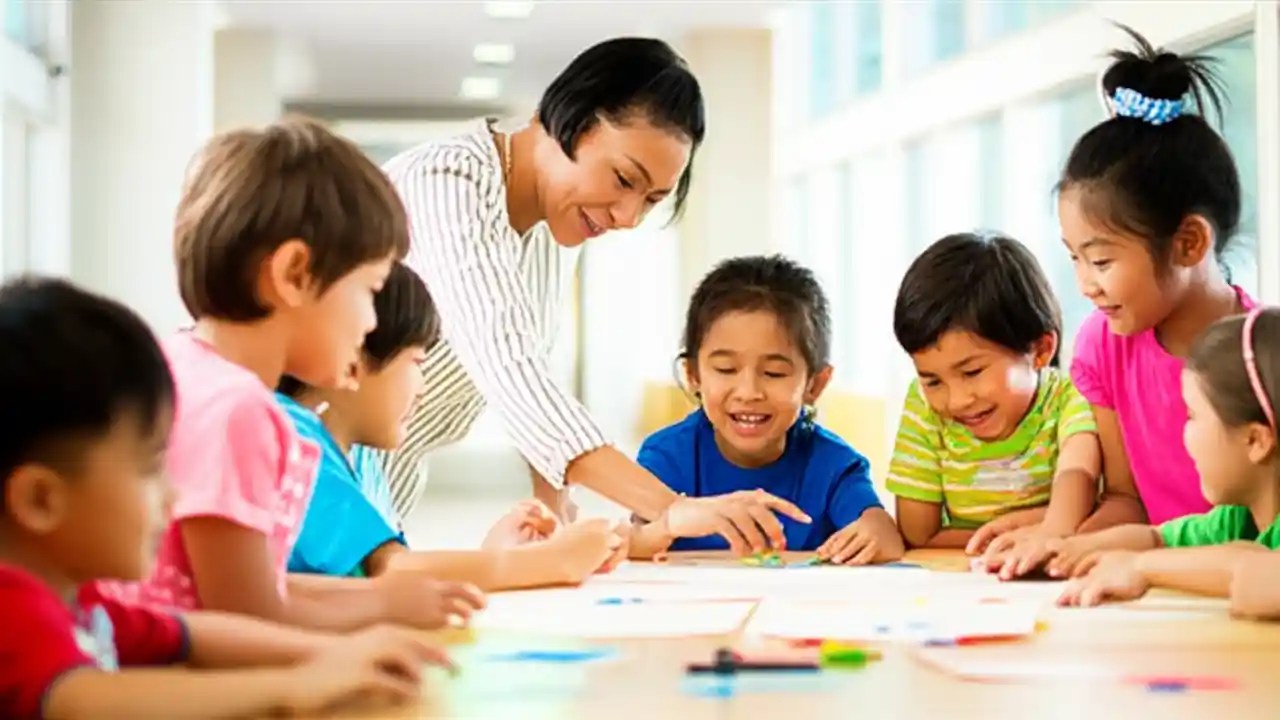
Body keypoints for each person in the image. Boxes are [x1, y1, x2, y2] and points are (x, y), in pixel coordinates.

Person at [381, 37, 807, 553]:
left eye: (651, 200)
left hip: (383, 492)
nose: (627, 218)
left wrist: (551, 507)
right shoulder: (446, 184)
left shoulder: (553, 225)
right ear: (567, 120)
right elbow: (507, 366)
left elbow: (534, 363)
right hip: (311, 471)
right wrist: (674, 508)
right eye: (624, 179)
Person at [95, 116, 485, 630]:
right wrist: (369, 628)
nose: (371, 321)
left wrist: (385, 600)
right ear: (294, 275)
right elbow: (247, 617)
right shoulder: (237, 410)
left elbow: (252, 588)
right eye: (369, 290)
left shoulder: (180, 368)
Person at [0, 277, 451, 719]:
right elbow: (86, 700)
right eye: (150, 468)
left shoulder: (80, 604)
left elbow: (188, 632)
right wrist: (295, 686)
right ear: (41, 500)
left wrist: (338, 653)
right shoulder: (12, 609)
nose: (173, 494)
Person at [278, 263, 624, 588]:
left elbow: (392, 575)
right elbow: (390, 571)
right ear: (356, 351)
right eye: (417, 361)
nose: (423, 388)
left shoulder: (360, 456)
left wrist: (498, 557)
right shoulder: (292, 440)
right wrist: (551, 561)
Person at [1047, 26, 1253, 543]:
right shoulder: (1103, 345)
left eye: (1100, 260)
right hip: (1151, 580)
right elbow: (1126, 501)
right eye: (1074, 258)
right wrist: (1062, 546)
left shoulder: (1260, 356)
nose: (1085, 285)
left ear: (1188, 243)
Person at [627, 256, 902, 563]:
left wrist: (874, 531)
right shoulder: (667, 456)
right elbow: (632, 543)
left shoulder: (834, 466)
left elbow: (885, 536)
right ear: (693, 374)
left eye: (774, 373)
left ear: (815, 384)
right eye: (726, 368)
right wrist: (670, 523)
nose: (748, 393)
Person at [885, 233, 1101, 562]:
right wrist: (1009, 537)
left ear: (1040, 350)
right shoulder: (923, 407)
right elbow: (918, 533)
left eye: (972, 372)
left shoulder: (1069, 397)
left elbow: (1080, 478)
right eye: (932, 380)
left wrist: (1042, 529)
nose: (956, 401)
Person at [1056, 308, 1279, 607]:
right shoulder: (1238, 517)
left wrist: (1141, 568)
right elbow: (1157, 537)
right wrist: (1068, 550)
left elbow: (1256, 572)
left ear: (1255, 440)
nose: (1182, 431)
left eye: (1192, 415)